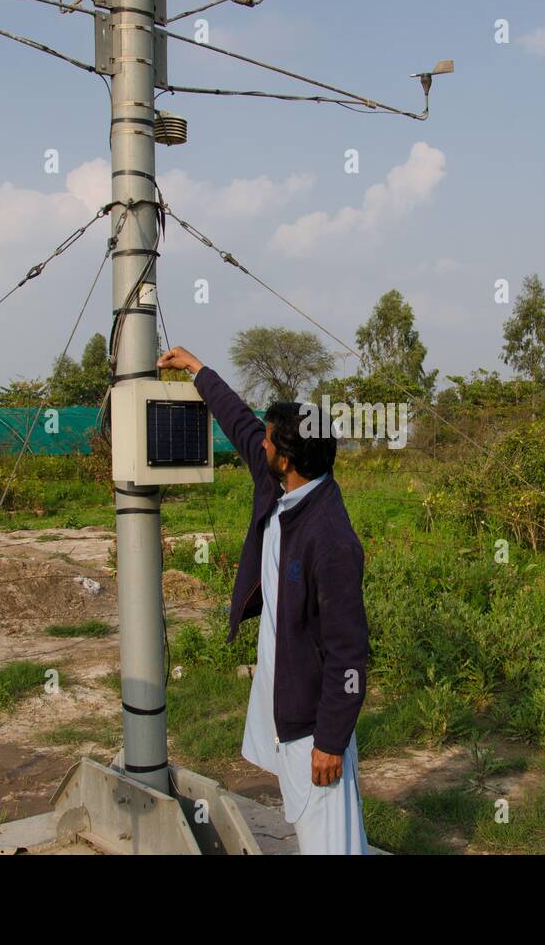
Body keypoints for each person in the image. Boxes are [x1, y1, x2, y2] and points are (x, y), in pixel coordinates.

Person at [155, 345, 370, 855]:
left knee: (325, 833)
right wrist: (197, 370)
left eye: (271, 440)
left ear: (288, 458)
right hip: (286, 699)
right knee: (321, 825)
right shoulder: (283, 490)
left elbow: (349, 652)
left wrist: (330, 740)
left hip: (312, 721)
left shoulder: (330, 539)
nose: (262, 443)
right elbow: (240, 424)